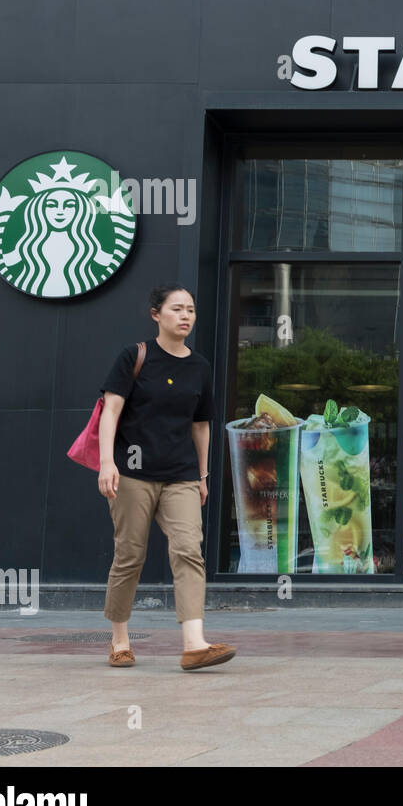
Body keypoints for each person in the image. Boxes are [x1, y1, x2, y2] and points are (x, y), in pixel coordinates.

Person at [98, 285, 237, 670]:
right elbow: (110, 412)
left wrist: (203, 474)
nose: (186, 316)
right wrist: (107, 462)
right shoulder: (134, 357)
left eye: (190, 309)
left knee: (188, 550)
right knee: (129, 555)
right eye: (176, 309)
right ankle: (120, 639)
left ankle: (194, 643)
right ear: (156, 314)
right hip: (133, 473)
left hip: (181, 475)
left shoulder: (200, 366)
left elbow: (201, 424)